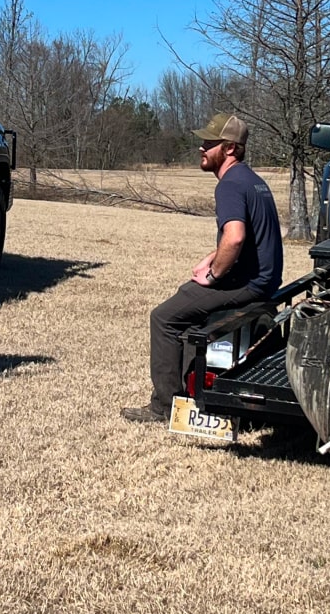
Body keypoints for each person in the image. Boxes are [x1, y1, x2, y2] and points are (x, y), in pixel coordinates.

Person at [121, 113, 284, 423]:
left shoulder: (230, 185)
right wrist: (210, 258)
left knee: (164, 318)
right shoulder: (253, 181)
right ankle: (190, 393)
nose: (202, 149)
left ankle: (163, 406)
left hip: (246, 284)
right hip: (265, 280)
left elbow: (234, 238)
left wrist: (213, 275)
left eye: (210, 143)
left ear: (231, 149)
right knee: (188, 317)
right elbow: (245, 238)